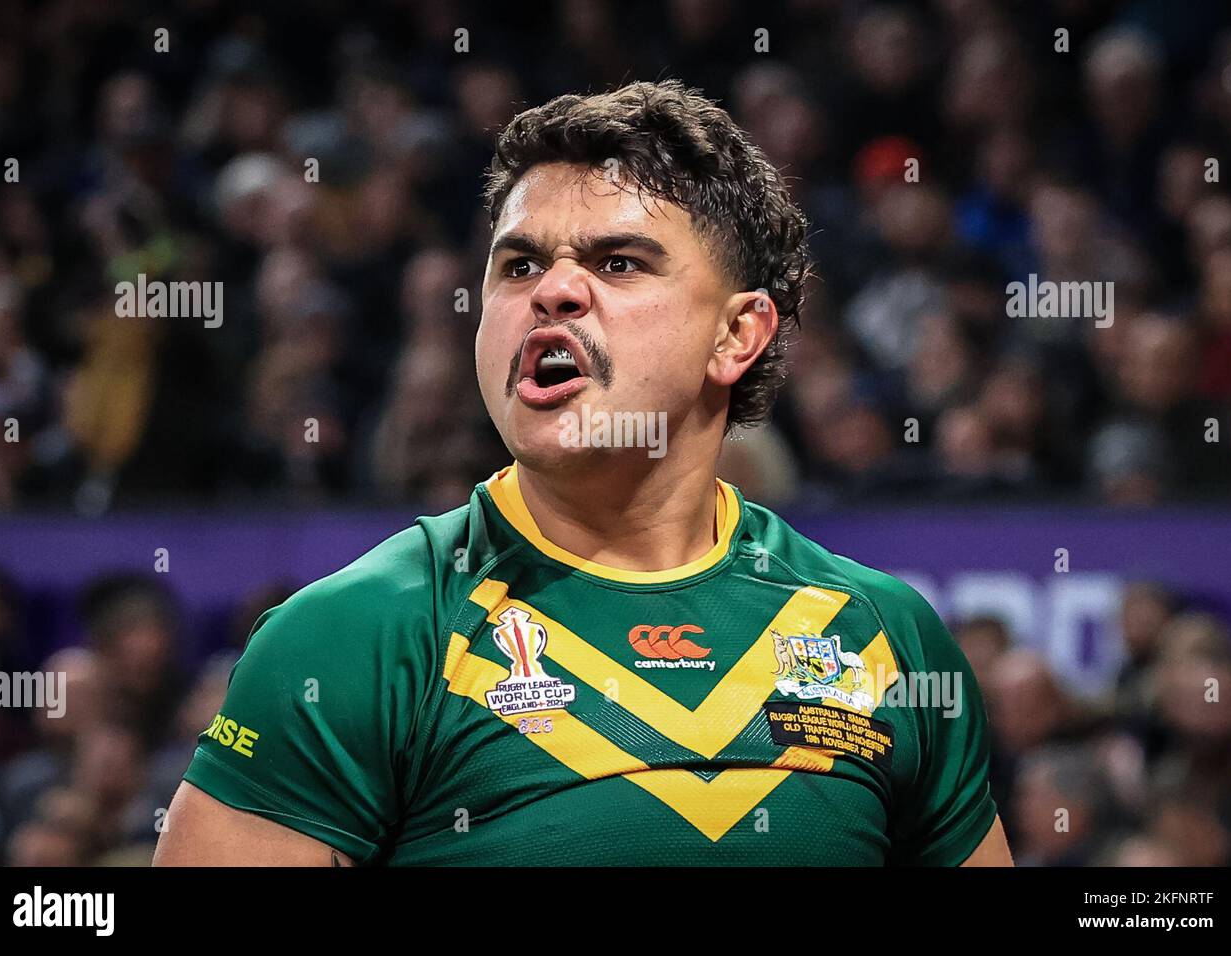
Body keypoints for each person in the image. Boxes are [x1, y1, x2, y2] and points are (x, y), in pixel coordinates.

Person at [154, 80, 1012, 866]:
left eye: (618, 263)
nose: (553, 292)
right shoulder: (354, 637)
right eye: (519, 265)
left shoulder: (883, 635)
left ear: (736, 334)